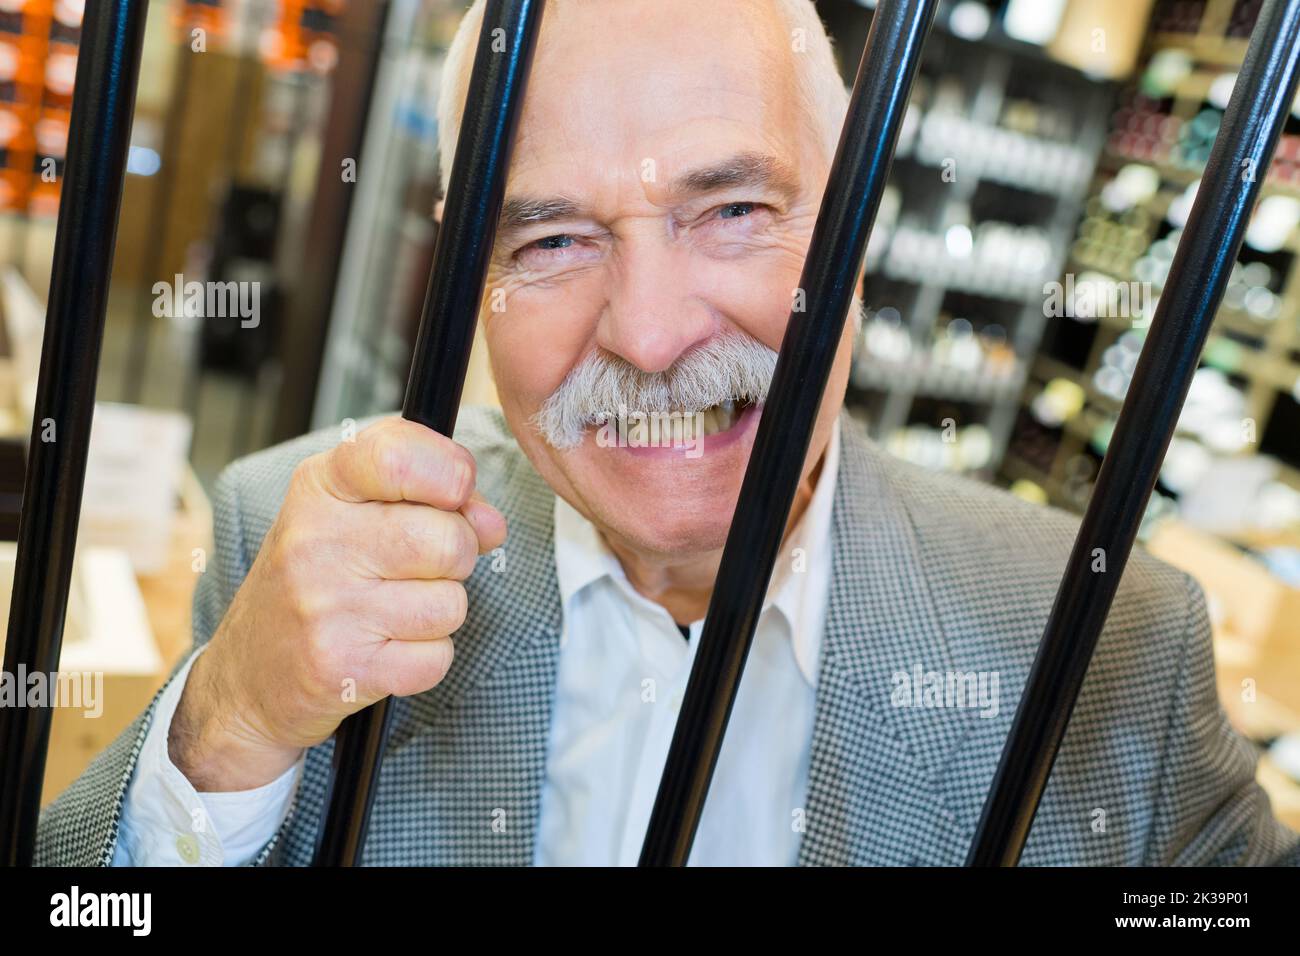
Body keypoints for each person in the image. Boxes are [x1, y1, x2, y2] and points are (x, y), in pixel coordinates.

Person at [37, 0, 1299, 866]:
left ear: (859, 226)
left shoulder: (1107, 640)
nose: (645, 334)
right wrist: (226, 729)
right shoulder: (295, 539)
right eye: (549, 240)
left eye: (735, 208)